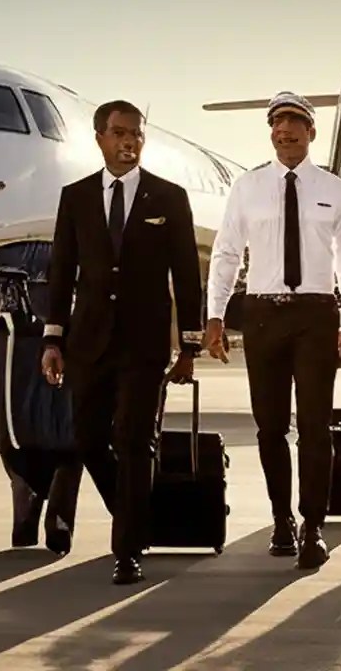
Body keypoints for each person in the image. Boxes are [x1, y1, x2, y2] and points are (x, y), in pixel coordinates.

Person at [40, 99, 203, 585]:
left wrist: (189, 346)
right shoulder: (76, 197)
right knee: (89, 438)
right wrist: (53, 338)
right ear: (100, 139)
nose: (129, 141)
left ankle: (127, 550)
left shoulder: (169, 198)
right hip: (88, 342)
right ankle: (133, 516)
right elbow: (61, 272)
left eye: (137, 134)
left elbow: (187, 276)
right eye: (120, 133)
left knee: (133, 441)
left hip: (144, 345)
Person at [203, 90, 341, 570]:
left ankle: (313, 526)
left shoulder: (335, 190)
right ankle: (281, 521)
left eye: (295, 123)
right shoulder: (247, 188)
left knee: (315, 427)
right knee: (270, 427)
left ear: (311, 133)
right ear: (270, 131)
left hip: (316, 314)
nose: (286, 131)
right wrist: (215, 315)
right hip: (261, 315)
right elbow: (228, 253)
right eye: (278, 123)